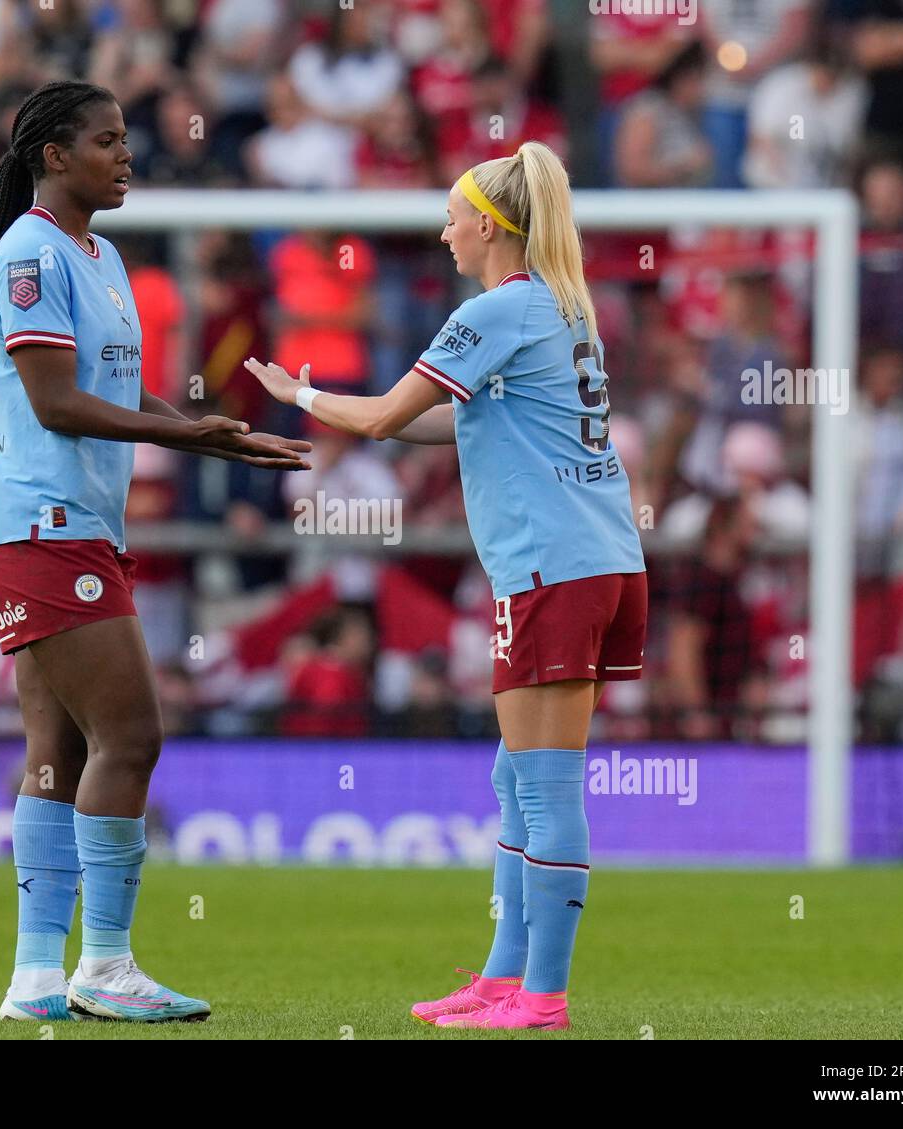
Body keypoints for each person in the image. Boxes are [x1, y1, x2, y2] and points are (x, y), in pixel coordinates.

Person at [247, 140, 647, 1031]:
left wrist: (301, 397)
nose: (444, 231)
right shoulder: (560, 306)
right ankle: (506, 976)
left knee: (544, 786)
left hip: (554, 567)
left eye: (455, 216)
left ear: (492, 225)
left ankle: (542, 995)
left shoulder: (496, 311)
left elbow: (390, 414)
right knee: (518, 779)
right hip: (597, 558)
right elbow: (454, 426)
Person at [0, 80, 310, 1024]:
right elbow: (56, 403)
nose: (128, 155)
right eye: (108, 142)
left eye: (127, 140)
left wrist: (204, 426)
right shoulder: (29, 255)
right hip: (42, 524)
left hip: (65, 524)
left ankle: (37, 973)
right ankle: (105, 964)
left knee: (59, 748)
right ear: (54, 157)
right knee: (133, 736)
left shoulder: (101, 253)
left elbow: (115, 385)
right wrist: (182, 442)